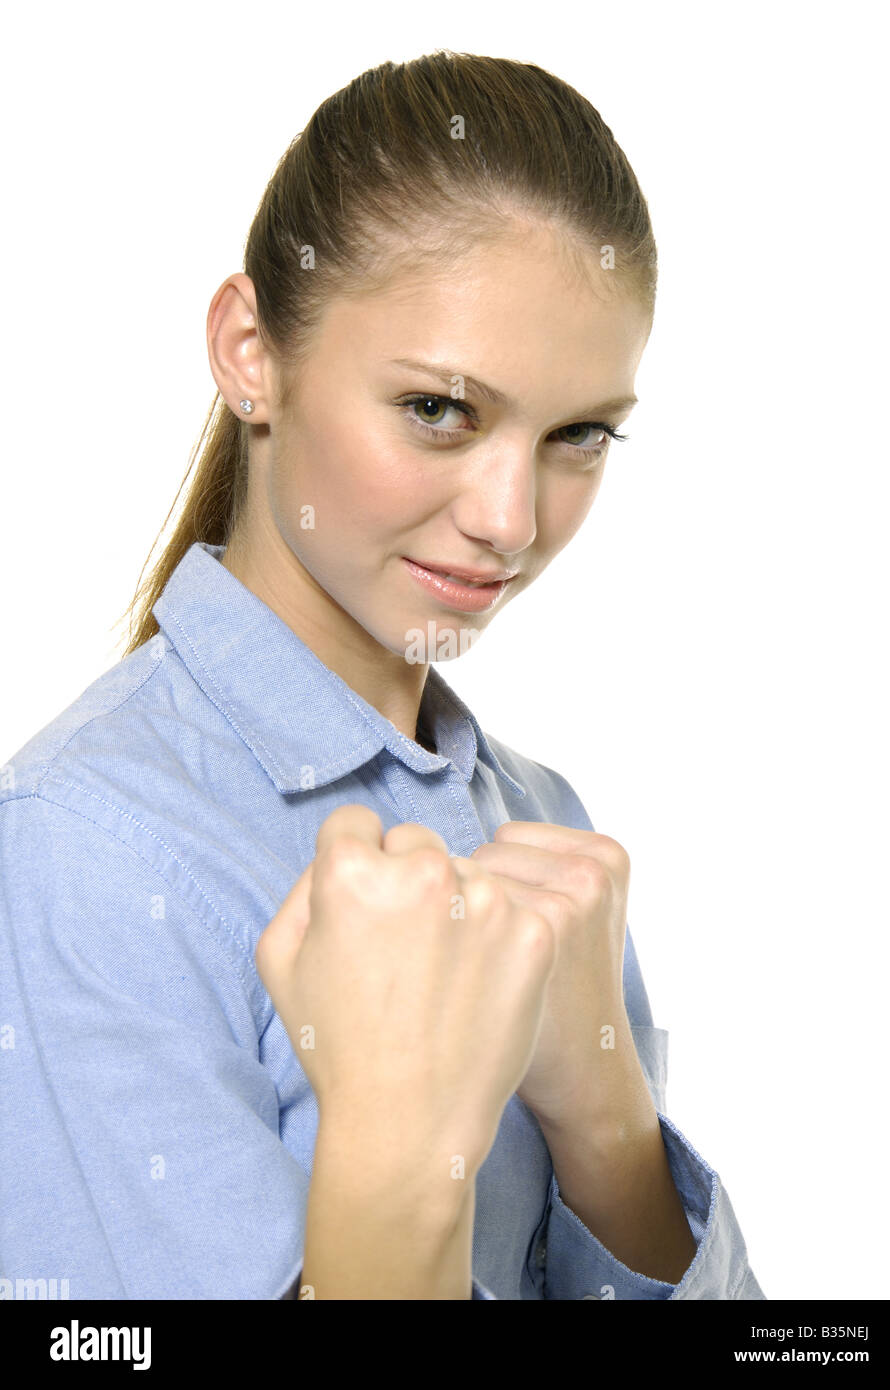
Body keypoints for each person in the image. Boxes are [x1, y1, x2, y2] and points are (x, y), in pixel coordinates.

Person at [0, 50, 765, 1300]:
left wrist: (610, 1130)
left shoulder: (542, 825)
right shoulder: (78, 854)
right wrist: (396, 1161)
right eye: (441, 410)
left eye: (580, 434)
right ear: (251, 350)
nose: (513, 518)